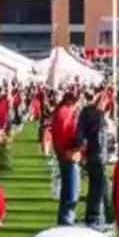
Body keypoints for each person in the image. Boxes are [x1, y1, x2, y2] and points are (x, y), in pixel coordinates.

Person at [75, 90, 112, 230]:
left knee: (95, 187)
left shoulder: (86, 113)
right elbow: (100, 140)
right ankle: (96, 218)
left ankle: (93, 216)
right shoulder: (99, 118)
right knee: (99, 188)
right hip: (98, 156)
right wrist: (103, 157)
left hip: (91, 155)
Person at [50, 92, 82, 225]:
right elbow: (65, 133)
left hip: (64, 152)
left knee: (68, 187)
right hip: (67, 152)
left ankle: (65, 217)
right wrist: (74, 145)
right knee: (72, 190)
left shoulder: (63, 112)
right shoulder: (64, 113)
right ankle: (67, 218)